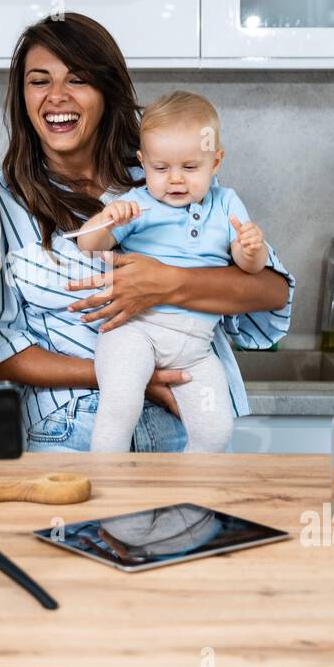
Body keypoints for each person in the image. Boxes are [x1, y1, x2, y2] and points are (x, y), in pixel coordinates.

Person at [0, 13, 294, 452]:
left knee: (200, 517)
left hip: (183, 423)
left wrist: (169, 284)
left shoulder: (167, 174)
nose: (57, 96)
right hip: (72, 430)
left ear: (106, 91)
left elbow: (270, 291)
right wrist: (127, 374)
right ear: (22, 96)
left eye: (77, 80)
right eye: (40, 81)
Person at [76, 91, 267, 452]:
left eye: (190, 168)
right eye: (160, 169)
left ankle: (189, 510)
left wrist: (250, 249)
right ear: (142, 162)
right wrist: (105, 221)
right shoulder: (137, 204)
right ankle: (106, 479)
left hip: (196, 348)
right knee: (120, 405)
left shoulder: (226, 203)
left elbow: (250, 269)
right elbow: (89, 245)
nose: (175, 180)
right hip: (134, 332)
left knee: (216, 429)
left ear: (216, 161)